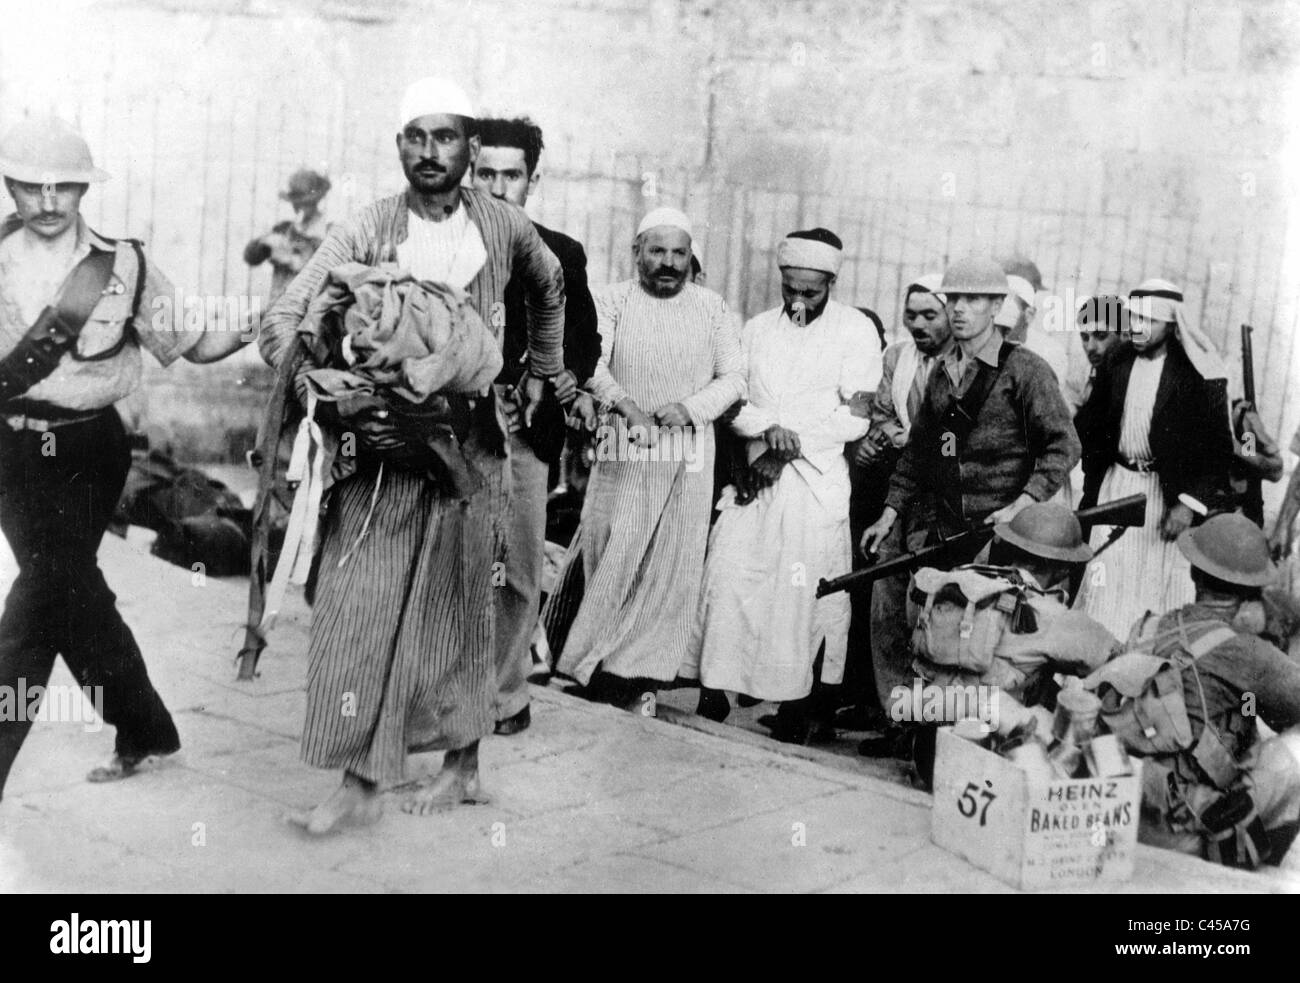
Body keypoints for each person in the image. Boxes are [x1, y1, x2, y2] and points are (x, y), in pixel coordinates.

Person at [258, 78, 566, 833]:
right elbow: (285, 318)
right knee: (353, 605)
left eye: (447, 137)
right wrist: (324, 386)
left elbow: (548, 285)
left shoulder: (501, 226)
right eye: (415, 137)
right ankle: (358, 779)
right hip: (383, 449)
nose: (430, 153)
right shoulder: (369, 228)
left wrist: (539, 374)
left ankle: (462, 765)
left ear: (468, 143)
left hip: (472, 447)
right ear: (398, 144)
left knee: (460, 606)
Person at [0, 117, 250, 799]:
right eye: (31, 187)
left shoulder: (125, 265)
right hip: (11, 447)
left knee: (36, 601)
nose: (48, 202)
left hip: (88, 445)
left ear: (84, 188)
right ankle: (144, 727)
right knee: (71, 592)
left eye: (64, 187)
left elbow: (193, 341)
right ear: (9, 185)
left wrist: (267, 320)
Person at [689, 229, 882, 740]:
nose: (798, 301)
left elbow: (856, 417)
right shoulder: (755, 329)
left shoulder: (855, 330)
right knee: (731, 574)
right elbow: (734, 400)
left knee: (804, 592)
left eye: (810, 292)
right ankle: (717, 684)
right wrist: (764, 438)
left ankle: (801, 706)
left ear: (832, 283)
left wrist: (788, 445)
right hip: (757, 476)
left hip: (814, 483)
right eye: (789, 289)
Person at [553, 207, 745, 709]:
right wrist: (627, 407)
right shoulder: (612, 299)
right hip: (624, 443)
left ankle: (637, 673)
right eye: (657, 251)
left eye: (678, 252)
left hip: (688, 452)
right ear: (637, 252)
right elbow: (590, 361)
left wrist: (690, 408)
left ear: (690, 257)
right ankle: (586, 658)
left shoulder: (713, 307)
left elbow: (734, 378)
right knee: (611, 545)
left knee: (671, 562)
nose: (668, 262)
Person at [471, 116, 600, 737]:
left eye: (512, 175)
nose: (498, 187)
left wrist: (566, 377)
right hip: (453, 429)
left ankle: (505, 695)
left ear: (532, 179)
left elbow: (584, 337)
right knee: (446, 563)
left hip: (525, 434)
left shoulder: (562, 253)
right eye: (487, 173)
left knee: (518, 568)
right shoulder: (445, 247)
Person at [1084, 513, 1300, 868]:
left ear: (1194, 573)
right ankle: (1245, 852)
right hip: (1188, 830)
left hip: (1124, 801)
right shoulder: (1247, 652)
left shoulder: (1150, 626)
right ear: (1251, 591)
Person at [860, 256, 1080, 561]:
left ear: (996, 306)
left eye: (973, 299)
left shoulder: (1027, 370)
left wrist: (1023, 504)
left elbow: (1064, 445)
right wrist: (888, 515)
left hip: (1005, 534)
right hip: (946, 531)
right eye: (952, 299)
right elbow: (919, 451)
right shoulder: (942, 371)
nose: (958, 308)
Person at [886, 503, 1120, 782]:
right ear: (1061, 567)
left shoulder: (964, 583)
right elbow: (1116, 658)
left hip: (931, 751)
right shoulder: (1051, 614)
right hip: (988, 762)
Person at [1073, 279, 1235, 640]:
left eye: (1149, 321)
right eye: (1133, 318)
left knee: (1150, 588)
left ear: (1171, 324)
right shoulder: (1117, 362)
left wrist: (1188, 505)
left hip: (1164, 498)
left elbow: (1218, 452)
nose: (1138, 328)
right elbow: (1092, 427)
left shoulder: (1197, 376)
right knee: (1103, 582)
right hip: (1117, 487)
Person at [838, 274, 953, 735]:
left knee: (925, 604)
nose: (920, 324)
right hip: (896, 492)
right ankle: (893, 714)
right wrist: (884, 435)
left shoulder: (964, 364)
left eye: (931, 314)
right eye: (912, 315)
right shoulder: (897, 357)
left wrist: (919, 441)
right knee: (885, 596)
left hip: (940, 500)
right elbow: (883, 410)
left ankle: (925, 719)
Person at [244, 168, 331, 304]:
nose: (299, 206)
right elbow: (251, 257)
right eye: (296, 202)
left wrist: (290, 258)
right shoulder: (285, 228)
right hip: (278, 307)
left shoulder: (328, 232)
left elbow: (326, 275)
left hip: (309, 312)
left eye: (305, 202)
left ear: (315, 201)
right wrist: (263, 244)